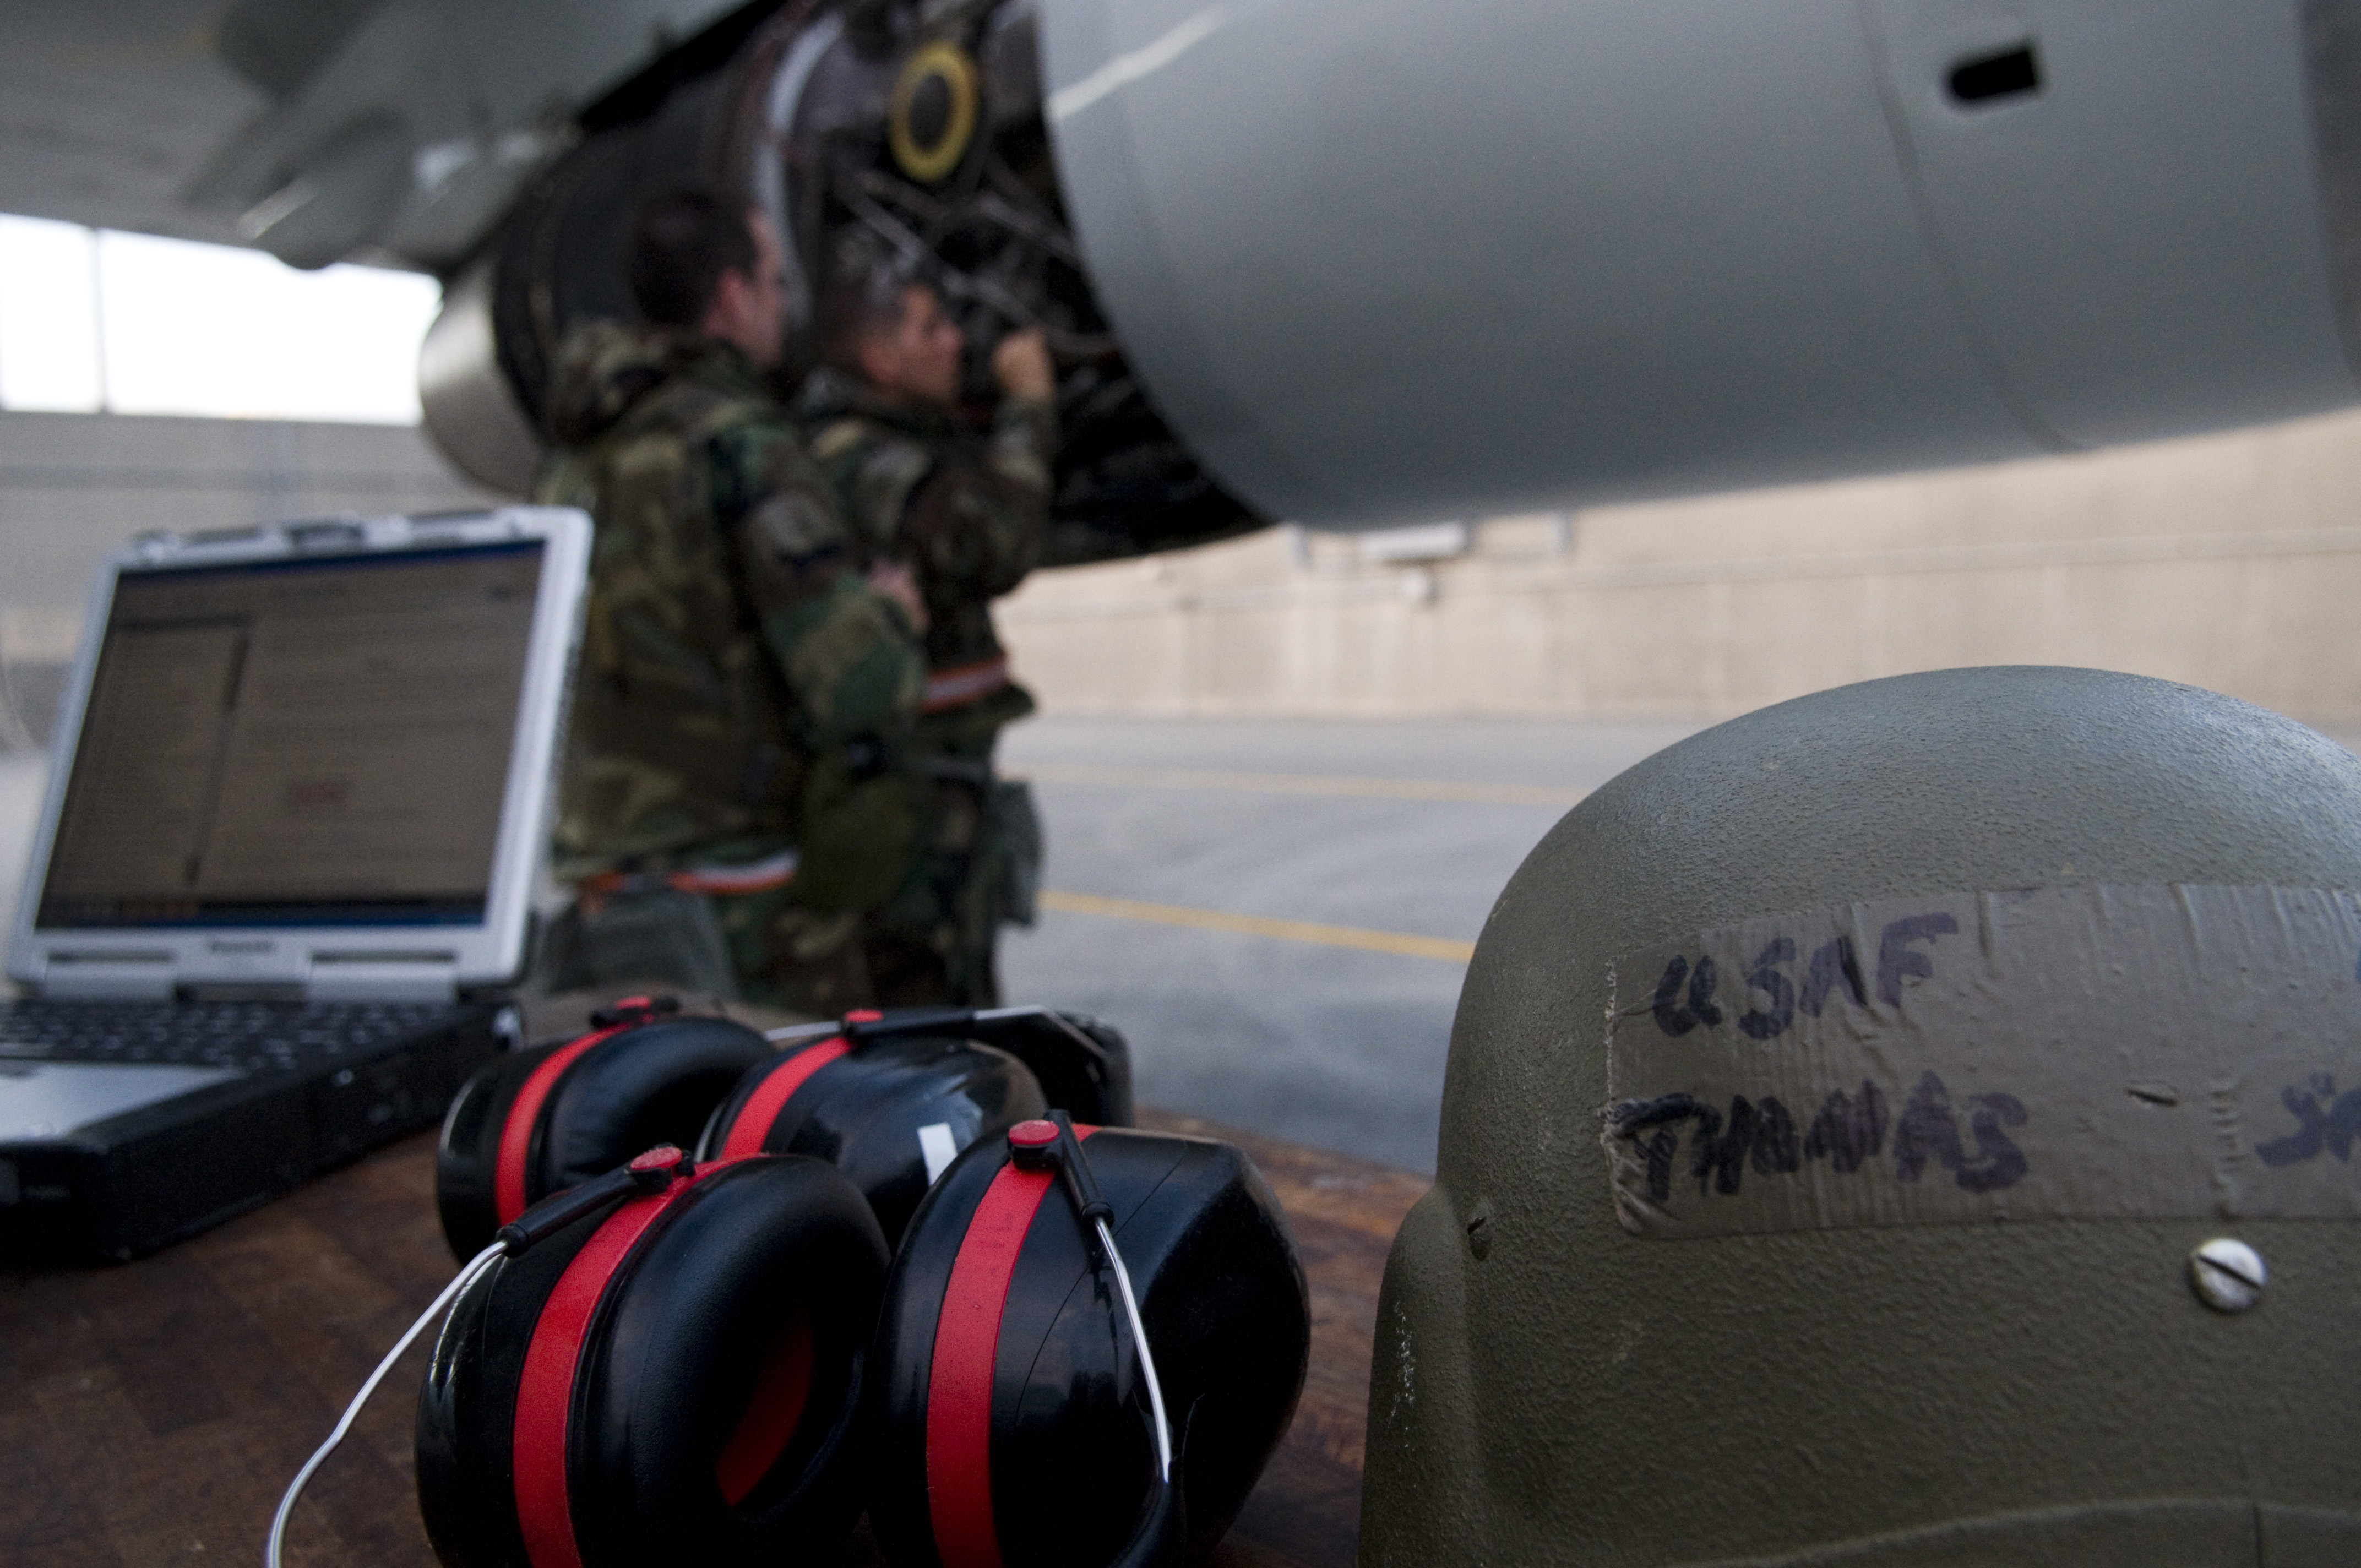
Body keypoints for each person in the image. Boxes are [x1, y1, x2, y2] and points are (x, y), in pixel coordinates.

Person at [532, 188, 929, 1016]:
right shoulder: (739, 445)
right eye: (775, 282)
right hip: (734, 913)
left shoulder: (572, 458)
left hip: (598, 898)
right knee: (782, 1135)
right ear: (732, 297)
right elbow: (860, 683)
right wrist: (891, 614)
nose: (784, 304)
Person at [796, 265, 1056, 1005]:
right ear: (880, 360)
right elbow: (996, 542)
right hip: (908, 796)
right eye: (929, 329)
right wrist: (1030, 405)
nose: (953, 344)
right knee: (929, 1005)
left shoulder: (878, 444)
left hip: (933, 781)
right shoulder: (863, 459)